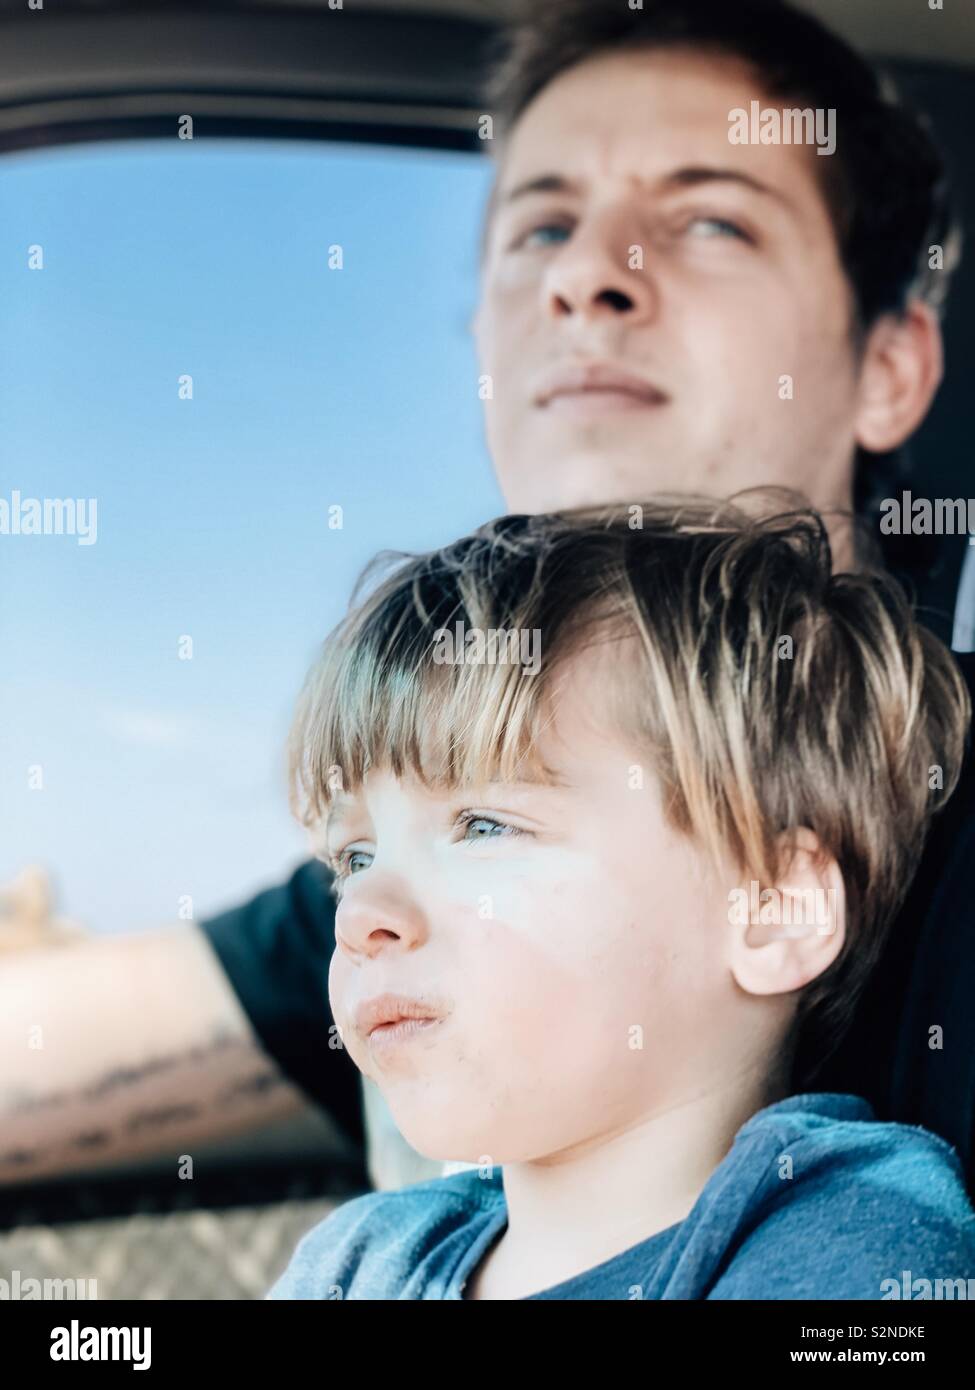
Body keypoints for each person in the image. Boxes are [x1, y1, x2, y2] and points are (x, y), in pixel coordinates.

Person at [2, 0, 969, 1194]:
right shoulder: (411, 878)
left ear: (890, 368)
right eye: (542, 227)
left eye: (711, 219)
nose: (584, 276)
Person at [267, 496, 975, 1299]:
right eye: (354, 856)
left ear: (773, 909)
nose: (361, 916)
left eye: (485, 826)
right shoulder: (359, 1261)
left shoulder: (852, 1227)